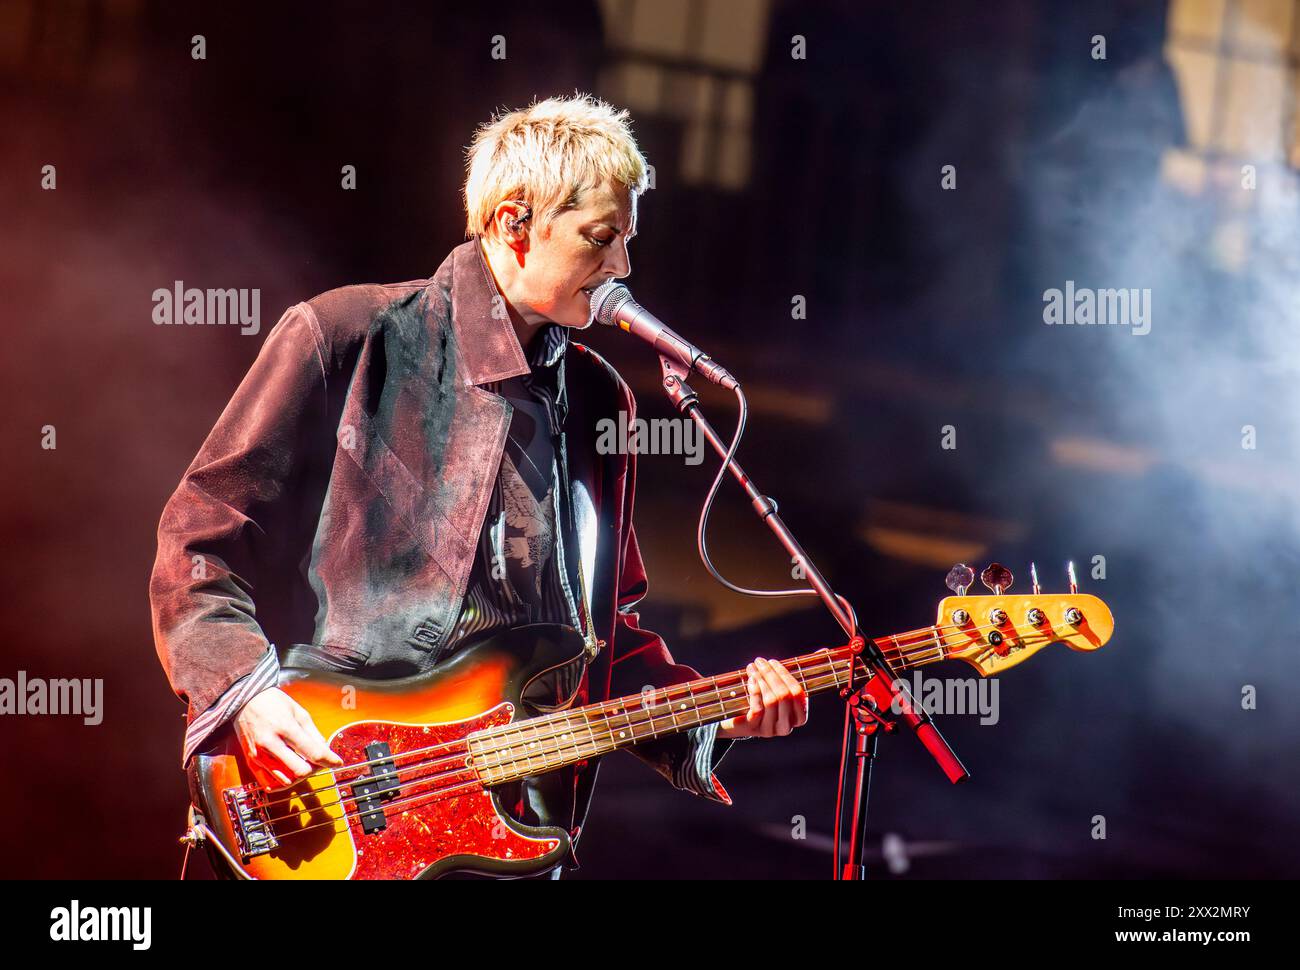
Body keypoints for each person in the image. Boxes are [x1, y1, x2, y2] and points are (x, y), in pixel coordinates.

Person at [149, 93, 808, 877]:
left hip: (507, 828)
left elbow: (602, 639)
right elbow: (199, 537)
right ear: (512, 221)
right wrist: (245, 693)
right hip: (329, 795)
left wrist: (718, 714)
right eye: (600, 239)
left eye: (627, 240)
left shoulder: (600, 401)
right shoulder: (347, 335)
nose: (622, 269)